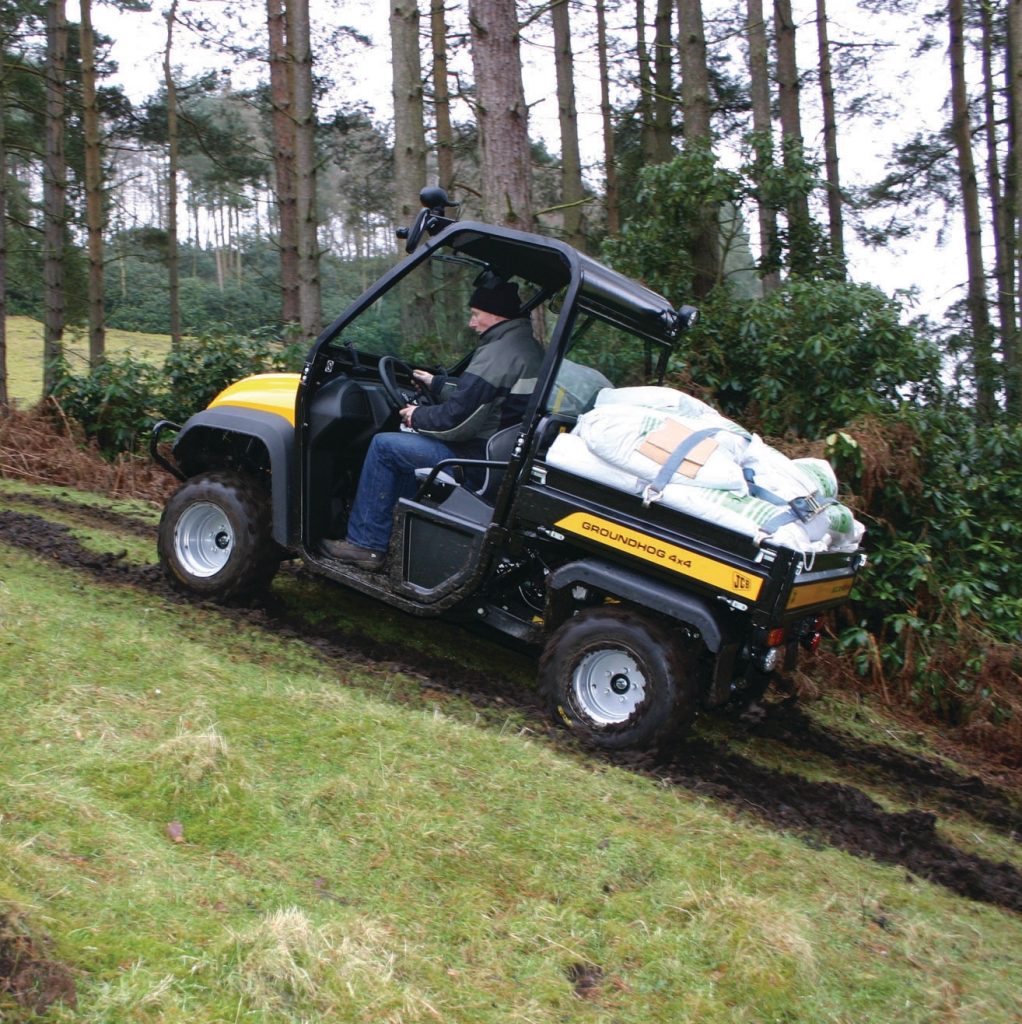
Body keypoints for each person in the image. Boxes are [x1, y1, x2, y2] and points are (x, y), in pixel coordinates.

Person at [320, 278, 544, 571]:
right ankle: (395, 541)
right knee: (402, 450)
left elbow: (457, 421)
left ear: (496, 314)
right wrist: (436, 383)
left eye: (476, 314)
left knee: (384, 446)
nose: (471, 322)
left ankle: (366, 545)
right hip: (497, 455)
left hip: (477, 461)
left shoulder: (498, 353)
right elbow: (483, 400)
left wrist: (416, 416)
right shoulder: (525, 346)